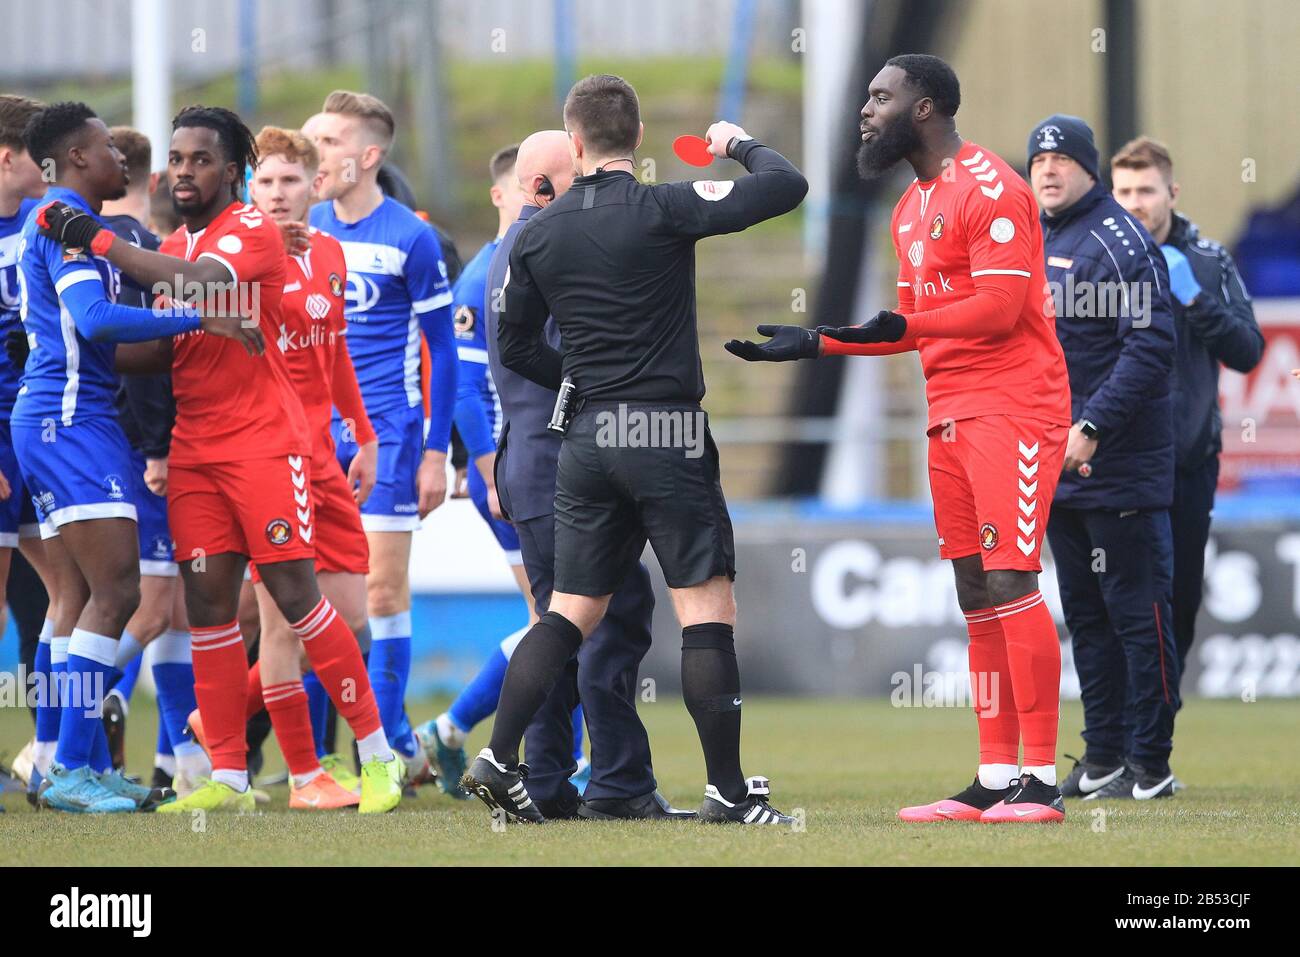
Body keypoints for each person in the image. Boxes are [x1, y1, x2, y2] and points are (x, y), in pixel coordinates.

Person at [728, 55, 1072, 823]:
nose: (866, 109)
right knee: (975, 588)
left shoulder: (993, 188)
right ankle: (992, 775)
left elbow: (999, 309)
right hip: (949, 413)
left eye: (880, 96)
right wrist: (816, 344)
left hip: (1014, 408)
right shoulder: (911, 207)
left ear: (925, 107)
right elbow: (905, 331)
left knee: (1013, 579)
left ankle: (1042, 780)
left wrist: (906, 325)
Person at [35, 105, 405, 814]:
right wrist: (71, 346)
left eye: (200, 159)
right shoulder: (176, 241)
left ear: (230, 170)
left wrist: (96, 237)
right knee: (205, 607)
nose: (182, 170)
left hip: (264, 444)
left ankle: (380, 757)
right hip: (195, 453)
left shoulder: (247, 233)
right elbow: (155, 343)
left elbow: (195, 283)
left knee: (299, 598)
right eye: (175, 158)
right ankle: (228, 776)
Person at [465, 73, 806, 825]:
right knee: (705, 611)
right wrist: (735, 145)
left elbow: (513, 341)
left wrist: (578, 378)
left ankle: (498, 753)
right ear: (640, 139)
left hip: (587, 439)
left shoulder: (538, 232)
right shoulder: (664, 206)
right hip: (666, 430)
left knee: (564, 614)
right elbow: (787, 186)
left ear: (575, 142)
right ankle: (726, 792)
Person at [16, 102, 238, 812]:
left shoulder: (74, 222)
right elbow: (98, 321)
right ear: (79, 158)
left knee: (79, 597)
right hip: (68, 422)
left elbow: (118, 342)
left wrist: (191, 332)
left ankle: (59, 762)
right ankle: (71, 770)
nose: (122, 158)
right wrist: (199, 314)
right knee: (118, 593)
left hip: (66, 421)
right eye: (110, 147)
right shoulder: (64, 224)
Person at [484, 130, 688, 820]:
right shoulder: (560, 246)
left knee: (557, 624)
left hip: (528, 461)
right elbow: (589, 353)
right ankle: (620, 782)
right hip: (565, 462)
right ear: (548, 182)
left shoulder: (506, 251)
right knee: (611, 621)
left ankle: (542, 779)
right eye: (584, 177)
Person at [1024, 114, 1180, 801]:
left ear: (1089, 169)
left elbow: (1150, 345)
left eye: (1061, 159)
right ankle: (1105, 755)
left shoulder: (1118, 239)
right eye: (1038, 161)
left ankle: (1151, 764)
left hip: (1116, 464)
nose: (1048, 170)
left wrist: (1092, 425)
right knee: (1086, 619)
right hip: (1059, 470)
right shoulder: (1039, 235)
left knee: (1137, 616)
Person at [307, 92, 456, 782]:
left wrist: (435, 453)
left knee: (382, 592)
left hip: (390, 436)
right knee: (305, 597)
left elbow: (444, 353)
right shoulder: (301, 230)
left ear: (367, 157)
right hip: (311, 435)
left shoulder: (411, 238)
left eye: (328, 142)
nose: (313, 155)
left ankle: (390, 745)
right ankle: (320, 759)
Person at [244, 124, 380, 809]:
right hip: (266, 454)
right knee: (279, 622)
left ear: (314, 185)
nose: (276, 192)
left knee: (349, 615)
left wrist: (364, 431)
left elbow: (334, 351)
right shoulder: (237, 257)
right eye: (263, 181)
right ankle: (305, 776)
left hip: (322, 454)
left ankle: (220, 718)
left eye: (289, 180)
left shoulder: (329, 251)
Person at [1109, 137, 1263, 697]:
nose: (1134, 203)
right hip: (1112, 462)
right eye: (1122, 191)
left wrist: (1195, 298)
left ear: (1171, 192)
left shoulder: (1207, 260)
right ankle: (1117, 743)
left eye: (1145, 190)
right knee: (1117, 603)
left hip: (1187, 460)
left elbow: (1248, 351)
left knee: (1180, 601)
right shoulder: (1097, 259)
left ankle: (1154, 742)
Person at [0, 93, 58, 803]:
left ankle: (50, 753)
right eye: (45, 157)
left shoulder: (40, 223)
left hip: (37, 428)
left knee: (61, 591)